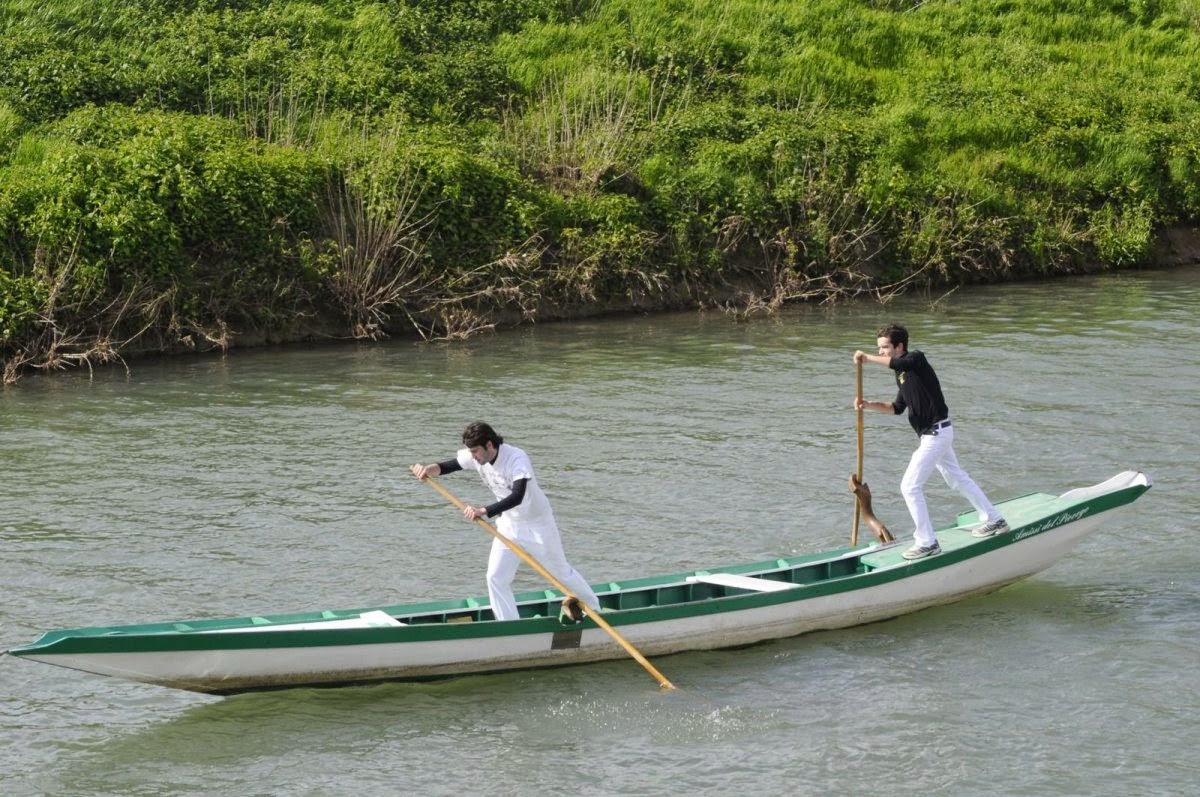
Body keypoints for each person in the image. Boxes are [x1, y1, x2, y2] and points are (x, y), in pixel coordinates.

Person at [410, 422, 601, 621]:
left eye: (475, 451)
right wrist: (427, 470)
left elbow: (517, 496)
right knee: (496, 577)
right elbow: (448, 466)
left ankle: (596, 610)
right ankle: (508, 623)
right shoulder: (476, 455)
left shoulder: (517, 459)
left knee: (561, 573)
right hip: (509, 525)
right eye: (470, 451)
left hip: (537, 524)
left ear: (489, 445)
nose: (472, 456)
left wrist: (483, 510)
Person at [854, 324, 1008, 560]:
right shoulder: (902, 375)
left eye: (885, 347)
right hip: (935, 434)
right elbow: (896, 408)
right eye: (879, 348)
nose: (882, 352)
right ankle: (995, 520)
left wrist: (866, 358)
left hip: (936, 433)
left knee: (909, 487)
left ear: (899, 346)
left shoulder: (915, 359)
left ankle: (927, 542)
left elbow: (898, 363)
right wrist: (867, 404)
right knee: (957, 478)